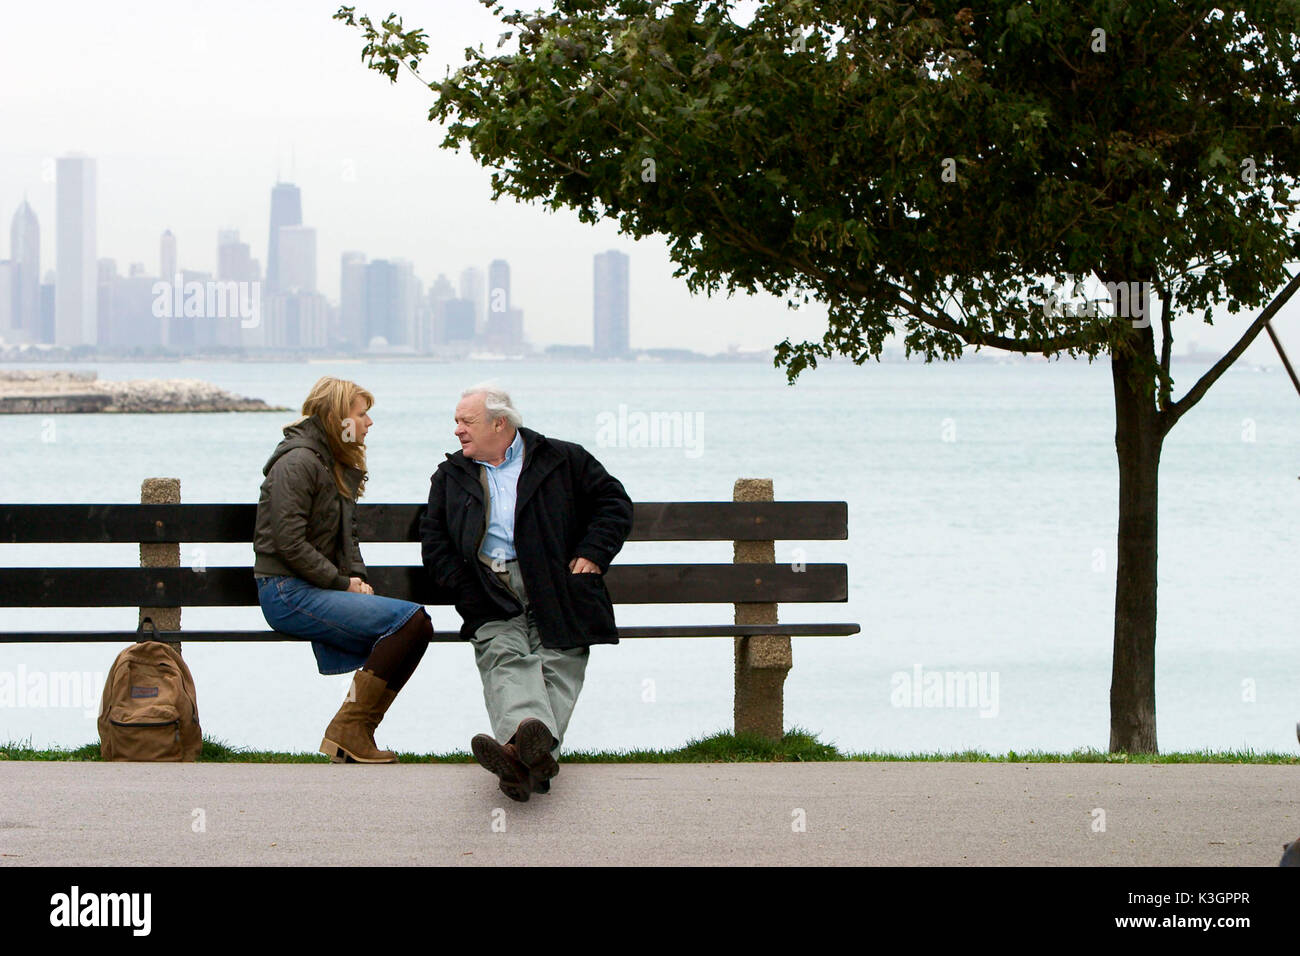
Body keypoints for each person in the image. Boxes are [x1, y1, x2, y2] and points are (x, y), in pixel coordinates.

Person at [420, 383, 633, 801]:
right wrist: (464, 587)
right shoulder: (450, 476)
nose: (458, 431)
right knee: (504, 654)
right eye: (456, 422)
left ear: (499, 423)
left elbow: (614, 503)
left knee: (559, 659)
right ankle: (534, 753)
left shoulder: (563, 459)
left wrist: (592, 553)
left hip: (557, 581)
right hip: (487, 585)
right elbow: (435, 541)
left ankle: (518, 757)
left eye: (467, 422)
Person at [253, 375, 433, 763]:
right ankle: (349, 730)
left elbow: (346, 540)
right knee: (409, 622)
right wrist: (340, 583)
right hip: (286, 592)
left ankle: (356, 730)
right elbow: (289, 542)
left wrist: (358, 582)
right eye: (362, 414)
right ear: (339, 418)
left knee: (417, 625)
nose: (369, 423)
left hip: (310, 587)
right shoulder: (299, 462)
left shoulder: (331, 462)